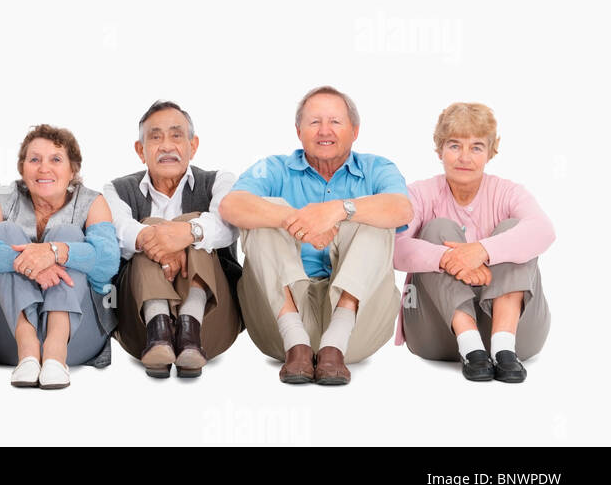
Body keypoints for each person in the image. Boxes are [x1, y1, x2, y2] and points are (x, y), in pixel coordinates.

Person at [220, 86, 412, 385]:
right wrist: (295, 222)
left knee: (376, 212)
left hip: (355, 328)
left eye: (335, 122)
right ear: (298, 131)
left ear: (355, 130)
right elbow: (231, 205)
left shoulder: (378, 168)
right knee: (265, 209)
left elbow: (402, 209)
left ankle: (334, 342)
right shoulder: (274, 168)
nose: (325, 131)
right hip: (282, 323)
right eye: (314, 122)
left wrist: (338, 209)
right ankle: (296, 340)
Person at [393, 103, 554, 383]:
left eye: (476, 147)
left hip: (517, 337)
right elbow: (393, 247)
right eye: (455, 146)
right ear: (439, 150)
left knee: (515, 230)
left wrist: (482, 251)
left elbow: (544, 231)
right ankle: (470, 345)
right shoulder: (420, 193)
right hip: (437, 332)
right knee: (437, 228)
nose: (464, 157)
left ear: (490, 153)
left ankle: (503, 348)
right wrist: (446, 258)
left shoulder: (508, 192)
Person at [0, 124, 119, 389]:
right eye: (34, 160)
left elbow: (108, 260)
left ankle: (55, 354)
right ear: (22, 169)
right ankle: (29, 349)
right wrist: (29, 262)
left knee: (67, 233)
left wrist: (56, 253)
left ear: (73, 169)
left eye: (56, 159)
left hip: (76, 341)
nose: (44, 168)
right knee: (3, 231)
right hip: (8, 338)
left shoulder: (92, 201)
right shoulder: (5, 198)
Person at [104, 101, 242, 379]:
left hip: (213, 323)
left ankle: (191, 332)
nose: (166, 146)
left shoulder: (220, 180)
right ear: (141, 151)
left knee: (196, 225)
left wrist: (187, 234)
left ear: (193, 144)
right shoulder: (116, 190)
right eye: (155, 137)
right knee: (147, 230)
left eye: (176, 135)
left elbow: (228, 225)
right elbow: (116, 230)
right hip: (139, 328)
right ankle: (159, 331)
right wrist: (157, 240)